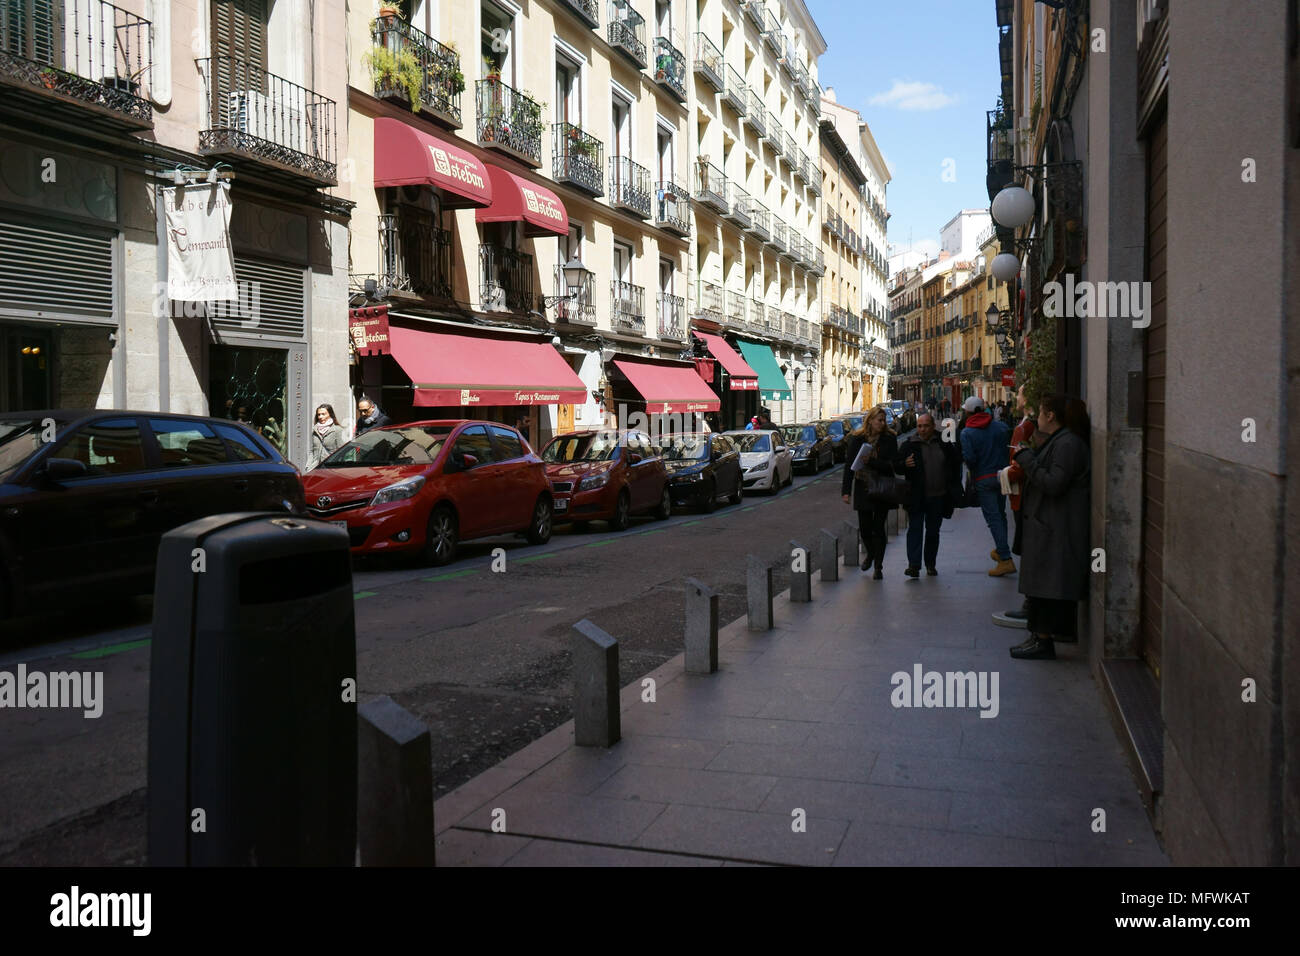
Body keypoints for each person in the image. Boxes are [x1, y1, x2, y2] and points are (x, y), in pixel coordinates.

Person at [1007, 395, 1091, 660]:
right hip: (1050, 524)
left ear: (1051, 416)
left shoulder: (1068, 444)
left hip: (1057, 526)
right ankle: (1039, 636)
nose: (1038, 419)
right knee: (1044, 584)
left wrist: (1028, 459)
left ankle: (1043, 640)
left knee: (1048, 583)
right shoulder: (1062, 441)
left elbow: (1055, 483)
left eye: (1041, 413)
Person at [896, 412, 961, 577]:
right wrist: (904, 464)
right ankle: (914, 565)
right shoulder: (909, 444)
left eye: (925, 426)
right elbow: (896, 467)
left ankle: (930, 564)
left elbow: (955, 464)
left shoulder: (943, 442)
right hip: (916, 497)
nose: (922, 429)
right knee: (915, 530)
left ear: (933, 426)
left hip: (938, 496)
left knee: (933, 532)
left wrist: (954, 489)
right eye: (919, 426)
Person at [959, 395, 1015, 575]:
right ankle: (1001, 550)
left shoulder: (967, 433)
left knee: (993, 519)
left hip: (983, 479)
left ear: (967, 413)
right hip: (1002, 476)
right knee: (1001, 515)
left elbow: (969, 458)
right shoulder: (1001, 427)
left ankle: (1005, 558)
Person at [841, 405, 899, 580]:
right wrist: (846, 491)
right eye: (879, 420)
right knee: (865, 529)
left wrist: (873, 461)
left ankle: (878, 567)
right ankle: (871, 554)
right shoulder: (857, 439)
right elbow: (849, 466)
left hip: (881, 488)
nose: (882, 423)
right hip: (863, 487)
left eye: (884, 420)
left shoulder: (889, 438)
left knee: (878, 528)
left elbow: (892, 465)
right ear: (870, 421)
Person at [999, 386, 1037, 621]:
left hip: (1021, 494)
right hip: (1022, 494)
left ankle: (1029, 603)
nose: (1017, 397)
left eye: (1021, 393)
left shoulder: (1024, 427)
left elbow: (1019, 463)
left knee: (1027, 546)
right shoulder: (1027, 425)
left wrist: (1004, 475)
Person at [308, 403, 346, 470]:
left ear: (330, 415)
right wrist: (308, 466)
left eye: (323, 414)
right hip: (315, 469)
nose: (320, 417)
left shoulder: (337, 430)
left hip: (331, 469)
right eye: (319, 414)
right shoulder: (315, 431)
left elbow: (342, 452)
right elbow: (311, 451)